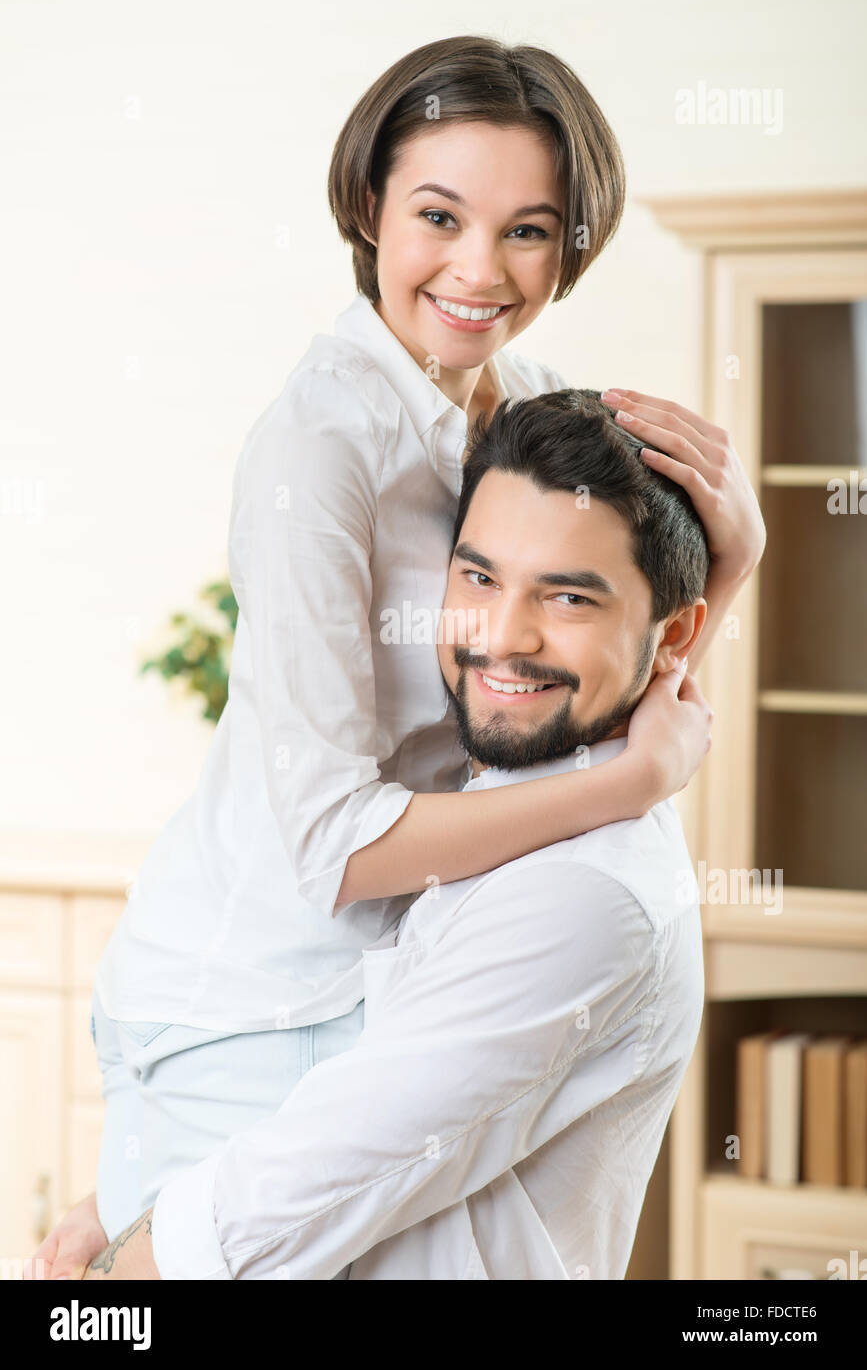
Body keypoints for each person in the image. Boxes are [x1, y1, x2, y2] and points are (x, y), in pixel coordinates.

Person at [30, 35, 762, 1279]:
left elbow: (614, 633)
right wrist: (628, 788)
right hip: (249, 990)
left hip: (375, 982)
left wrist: (732, 557)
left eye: (529, 230)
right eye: (439, 215)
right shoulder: (319, 449)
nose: (480, 270)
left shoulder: (513, 392)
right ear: (371, 205)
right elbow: (340, 848)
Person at [80, 388, 711, 1280]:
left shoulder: (582, 891)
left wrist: (101, 1293)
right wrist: (115, 1212)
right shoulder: (499, 801)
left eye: (568, 597)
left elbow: (289, 1198)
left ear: (675, 630)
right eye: (480, 577)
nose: (500, 637)